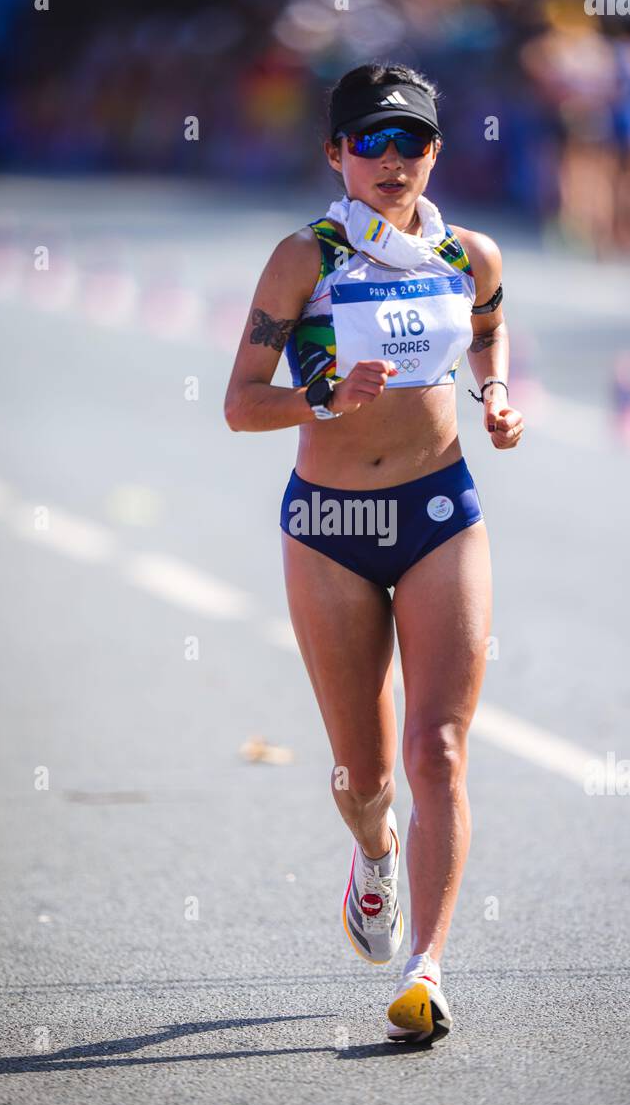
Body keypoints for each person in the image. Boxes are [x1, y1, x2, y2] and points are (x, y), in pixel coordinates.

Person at [224, 62, 524, 1043]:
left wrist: (493, 395)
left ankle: (426, 969)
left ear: (434, 150)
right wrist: (325, 399)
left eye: (409, 142)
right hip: (331, 528)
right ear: (333, 153)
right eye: (368, 142)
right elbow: (238, 404)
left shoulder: (465, 250)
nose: (390, 160)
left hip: (441, 509)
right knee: (367, 777)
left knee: (436, 746)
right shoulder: (300, 260)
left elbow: (487, 330)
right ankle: (372, 852)